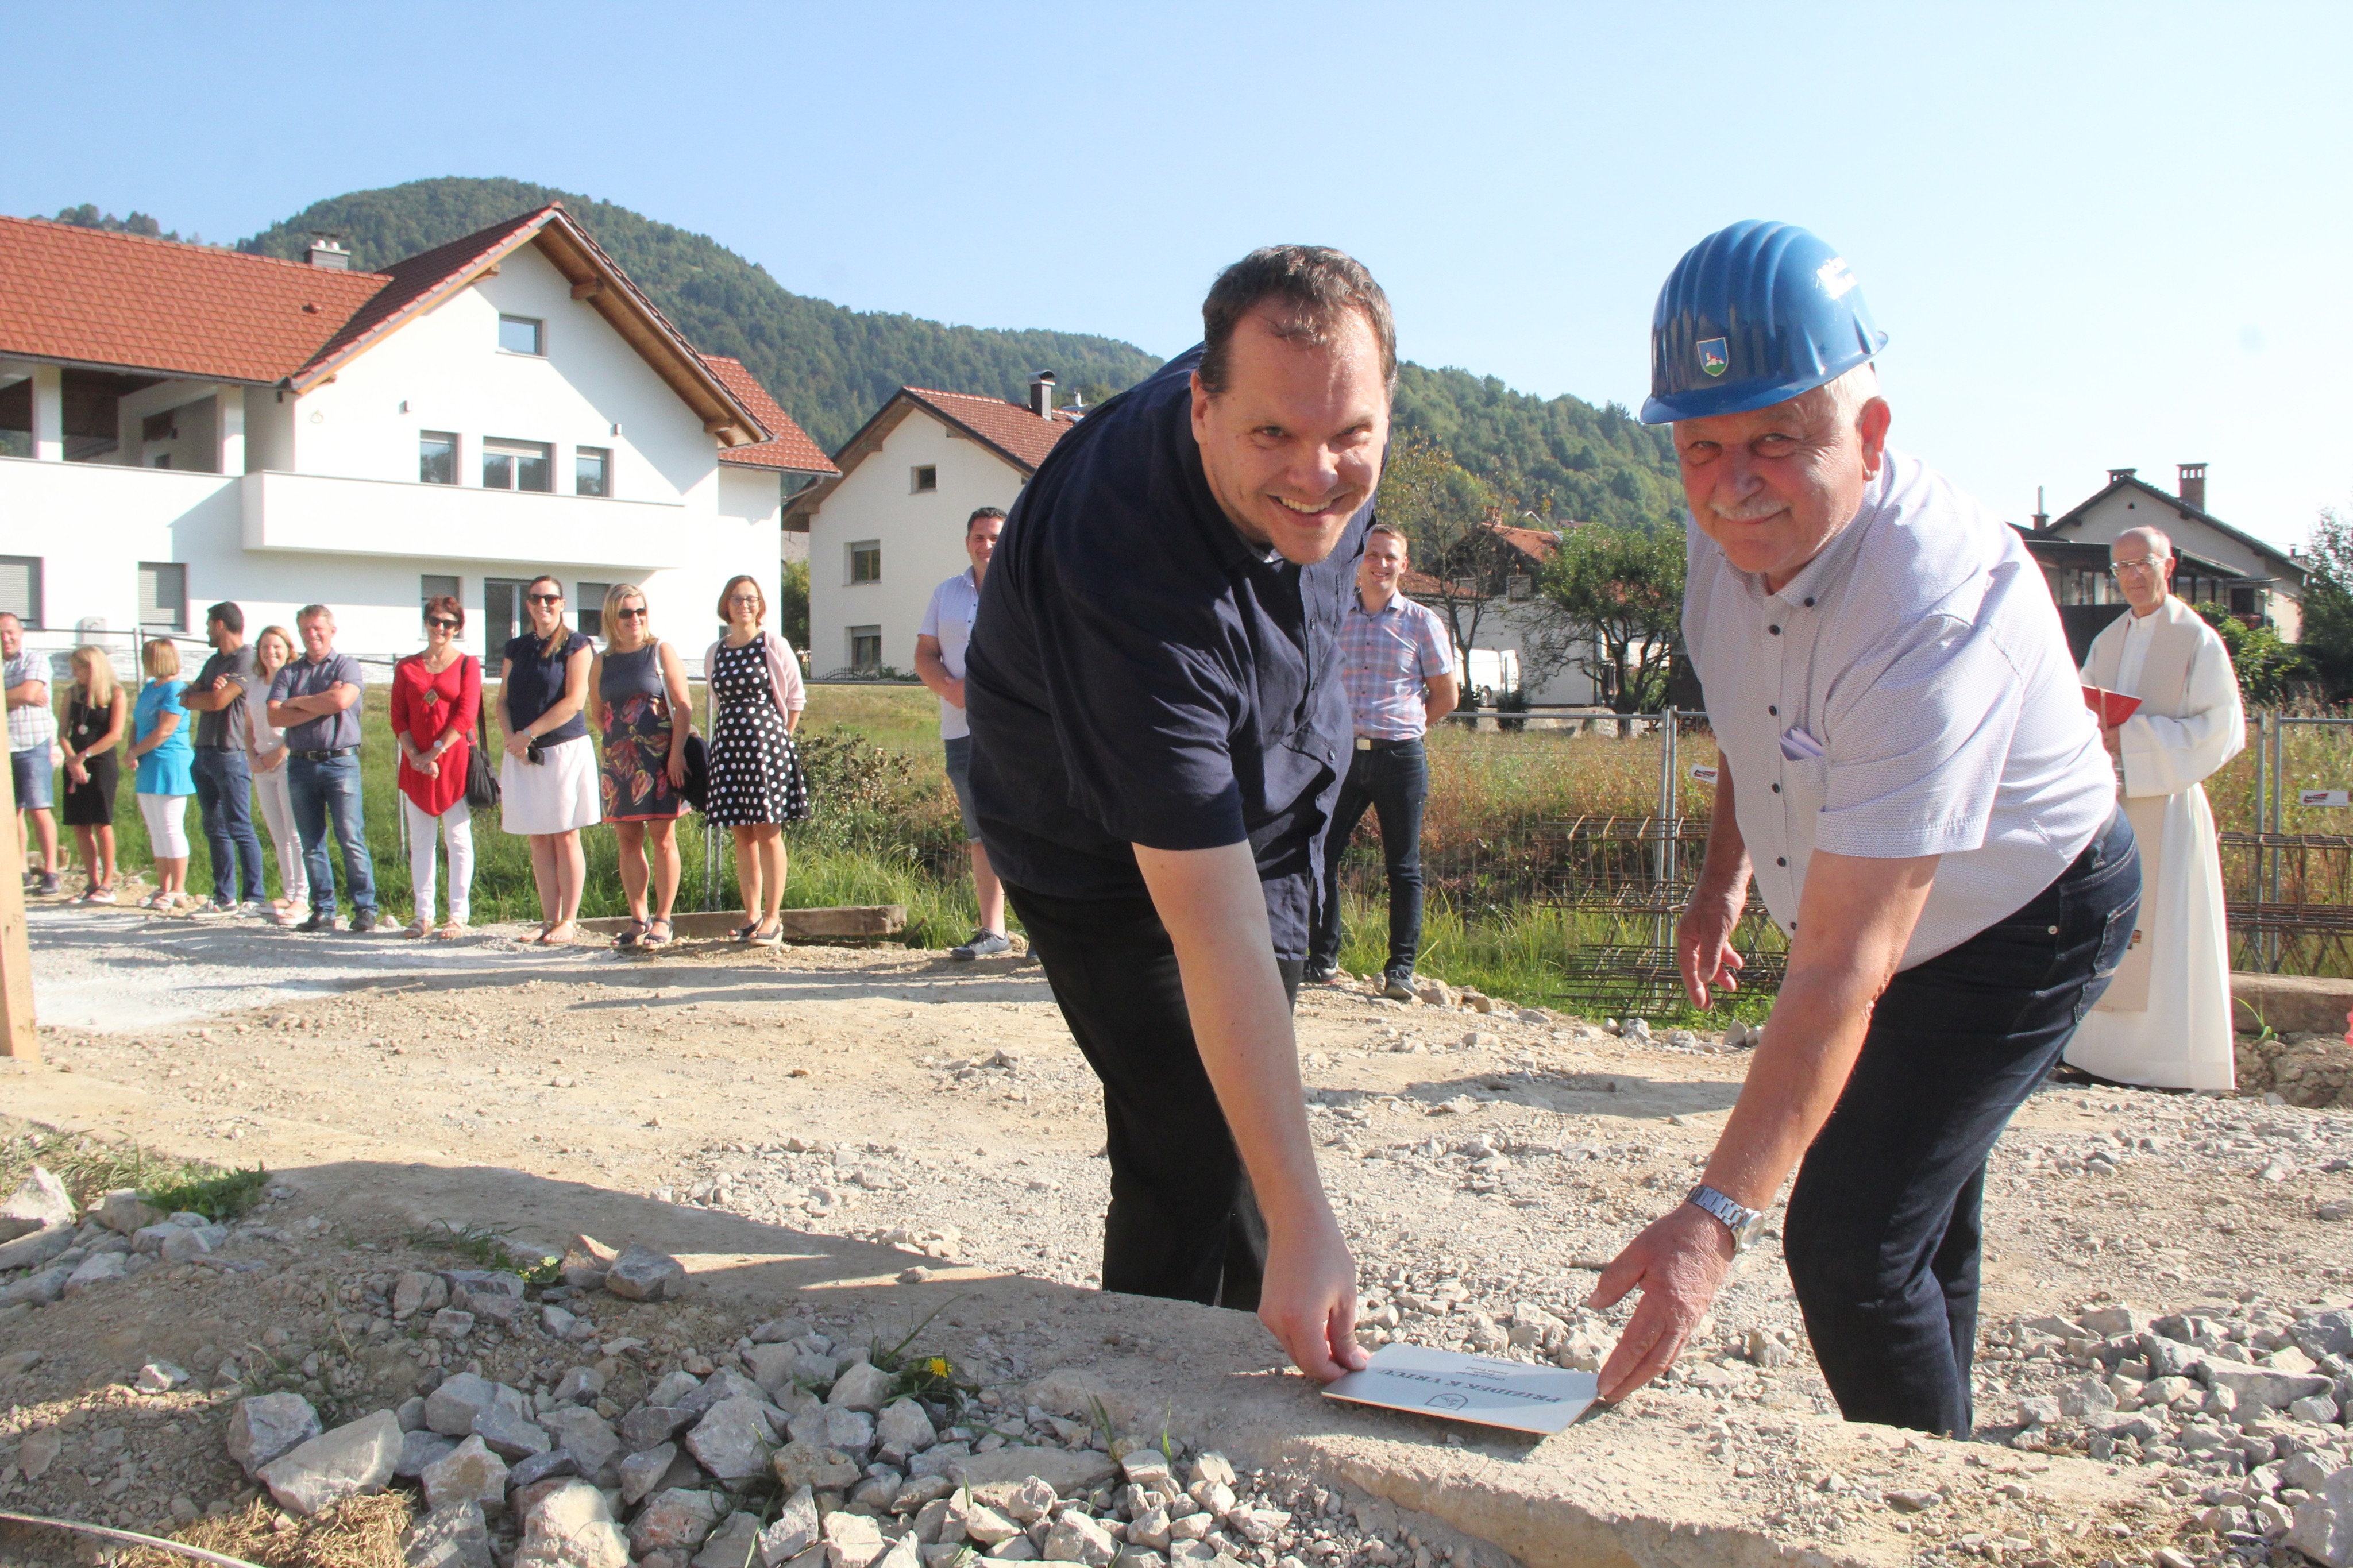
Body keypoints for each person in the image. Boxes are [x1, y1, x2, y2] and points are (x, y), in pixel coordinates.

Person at [1588, 221, 2134, 1439]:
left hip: (2023, 915)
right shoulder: (1728, 530)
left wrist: (1710, 1218)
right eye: (1701, 445)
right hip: (1881, 908)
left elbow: (1843, 964)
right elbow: (1754, 723)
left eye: (1776, 441)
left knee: (1846, 1239)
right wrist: (1722, 881)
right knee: (1912, 1222)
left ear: (1869, 435)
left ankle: (1923, 1505)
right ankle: (1942, 1463)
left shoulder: (1932, 604)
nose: (1732, 482)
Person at [965, 245, 1391, 1380]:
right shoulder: (1127, 565)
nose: (1317, 473)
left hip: (1274, 783)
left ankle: (1261, 1345)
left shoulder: (1304, 408)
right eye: (1273, 436)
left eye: (1351, 434)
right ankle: (1145, 1395)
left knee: (1247, 1117)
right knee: (1187, 1134)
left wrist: (1290, 1208)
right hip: (1084, 840)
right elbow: (1212, 929)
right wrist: (1309, 1217)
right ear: (1201, 408)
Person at [2065, 526, 2244, 1091]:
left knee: (2167, 932)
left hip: (2168, 806)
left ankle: (2166, 1064)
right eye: (2122, 567)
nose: (2133, 576)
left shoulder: (2197, 641)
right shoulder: (2108, 640)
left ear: (2168, 566)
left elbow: (2222, 729)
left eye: (2143, 563)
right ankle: (2100, 1056)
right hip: (2112, 802)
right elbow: (2079, 708)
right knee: (2108, 920)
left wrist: (2134, 739)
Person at [1305, 523, 1459, 995]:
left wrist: (1408, 727)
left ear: (1404, 565)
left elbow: (1446, 695)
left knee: (1403, 867)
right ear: (1358, 561)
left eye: (1391, 556)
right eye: (1373, 555)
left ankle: (1400, 972)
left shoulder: (1422, 622)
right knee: (1322, 857)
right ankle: (1323, 960)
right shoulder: (1336, 615)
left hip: (1400, 758)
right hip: (1343, 757)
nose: (1381, 564)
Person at [915, 507, 1013, 960]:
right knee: (980, 832)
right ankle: (993, 931)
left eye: (994, 537)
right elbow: (925, 653)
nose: (986, 545)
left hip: (1016, 730)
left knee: (1027, 829)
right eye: (979, 537)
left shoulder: (1022, 586)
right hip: (960, 730)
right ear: (967, 541)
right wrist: (950, 689)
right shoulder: (946, 593)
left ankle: (1043, 933)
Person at [703, 574, 810, 945]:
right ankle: (751, 915)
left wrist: (780, 739)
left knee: (768, 831)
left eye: (751, 599)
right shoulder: (716, 651)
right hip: (729, 747)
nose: (744, 605)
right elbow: (717, 698)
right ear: (726, 605)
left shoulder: (773, 644)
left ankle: (773, 917)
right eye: (737, 598)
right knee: (741, 833)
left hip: (766, 748)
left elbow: (795, 698)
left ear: (760, 605)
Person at [589, 584, 692, 951]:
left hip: (661, 760)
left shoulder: (659, 651)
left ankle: (663, 919)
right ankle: (638, 918)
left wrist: (676, 754)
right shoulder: (601, 662)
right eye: (626, 613)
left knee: (663, 839)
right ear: (612, 618)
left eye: (640, 611)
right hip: (620, 762)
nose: (635, 619)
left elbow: (683, 707)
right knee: (628, 841)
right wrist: (621, 742)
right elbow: (598, 712)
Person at [499, 576, 598, 945]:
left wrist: (529, 734)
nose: (544, 604)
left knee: (565, 833)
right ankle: (548, 919)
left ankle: (569, 920)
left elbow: (574, 700)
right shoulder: (517, 647)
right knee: (538, 836)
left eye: (551, 598)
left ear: (562, 604)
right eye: (537, 598)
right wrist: (513, 739)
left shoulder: (576, 644)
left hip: (562, 749)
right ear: (528, 604)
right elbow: (502, 700)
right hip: (523, 752)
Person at [268, 604, 379, 934]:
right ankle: (324, 909)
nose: (312, 634)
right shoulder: (289, 673)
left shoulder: (346, 666)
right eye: (305, 629)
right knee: (312, 842)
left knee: (350, 837)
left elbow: (341, 702)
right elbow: (274, 715)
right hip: (301, 764)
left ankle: (365, 908)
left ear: (332, 631)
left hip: (340, 762)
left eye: (317, 628)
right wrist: (321, 702)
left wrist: (296, 703)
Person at [389, 596, 481, 939]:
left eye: (449, 623)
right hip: (415, 762)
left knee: (457, 839)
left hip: (452, 761)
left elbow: (466, 713)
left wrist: (435, 752)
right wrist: (415, 755)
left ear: (458, 628)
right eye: (435, 621)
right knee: (421, 840)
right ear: (426, 622)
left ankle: (458, 915)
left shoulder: (467, 665)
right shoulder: (407, 667)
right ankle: (422, 915)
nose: (441, 628)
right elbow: (398, 717)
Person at [178, 602, 267, 916]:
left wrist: (203, 696)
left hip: (231, 753)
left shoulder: (247, 659)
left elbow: (218, 701)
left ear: (220, 624)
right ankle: (223, 895)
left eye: (208, 624)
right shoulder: (214, 661)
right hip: (204, 751)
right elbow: (187, 695)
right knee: (214, 828)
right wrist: (199, 696)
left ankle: (254, 896)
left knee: (240, 826)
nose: (205, 630)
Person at [126, 638, 196, 910]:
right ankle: (163, 885)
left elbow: (165, 729)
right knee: (155, 828)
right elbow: (137, 722)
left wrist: (136, 751)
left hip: (170, 761)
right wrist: (132, 750)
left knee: (170, 826)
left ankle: (179, 888)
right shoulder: (149, 688)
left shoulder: (176, 689)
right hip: (147, 762)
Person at [245, 625, 309, 922]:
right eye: (265, 647)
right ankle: (288, 891)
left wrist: (280, 752)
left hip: (287, 761)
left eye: (277, 647)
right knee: (278, 832)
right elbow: (249, 725)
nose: (271, 652)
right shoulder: (256, 684)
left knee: (294, 832)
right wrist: (252, 757)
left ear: (288, 649)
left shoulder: (294, 681)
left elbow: (299, 721)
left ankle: (302, 897)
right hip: (261, 764)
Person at [59, 646, 126, 902]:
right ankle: (92, 881)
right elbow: (63, 733)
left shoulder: (115, 693)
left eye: (77, 668)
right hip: (74, 764)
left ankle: (107, 883)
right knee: (80, 824)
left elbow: (115, 734)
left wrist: (84, 756)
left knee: (102, 822)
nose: (74, 673)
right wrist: (72, 760)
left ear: (92, 668)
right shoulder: (72, 694)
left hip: (100, 762)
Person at [2, 612, 60, 896]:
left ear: (20, 633)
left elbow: (29, 692)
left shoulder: (35, 660)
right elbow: (25, 694)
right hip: (4, 746)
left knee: (39, 808)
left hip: (32, 743)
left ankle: (51, 872)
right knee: (10, 812)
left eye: (10, 632)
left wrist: (23, 694)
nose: (6, 638)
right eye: (1, 633)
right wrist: (19, 694)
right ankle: (20, 869)